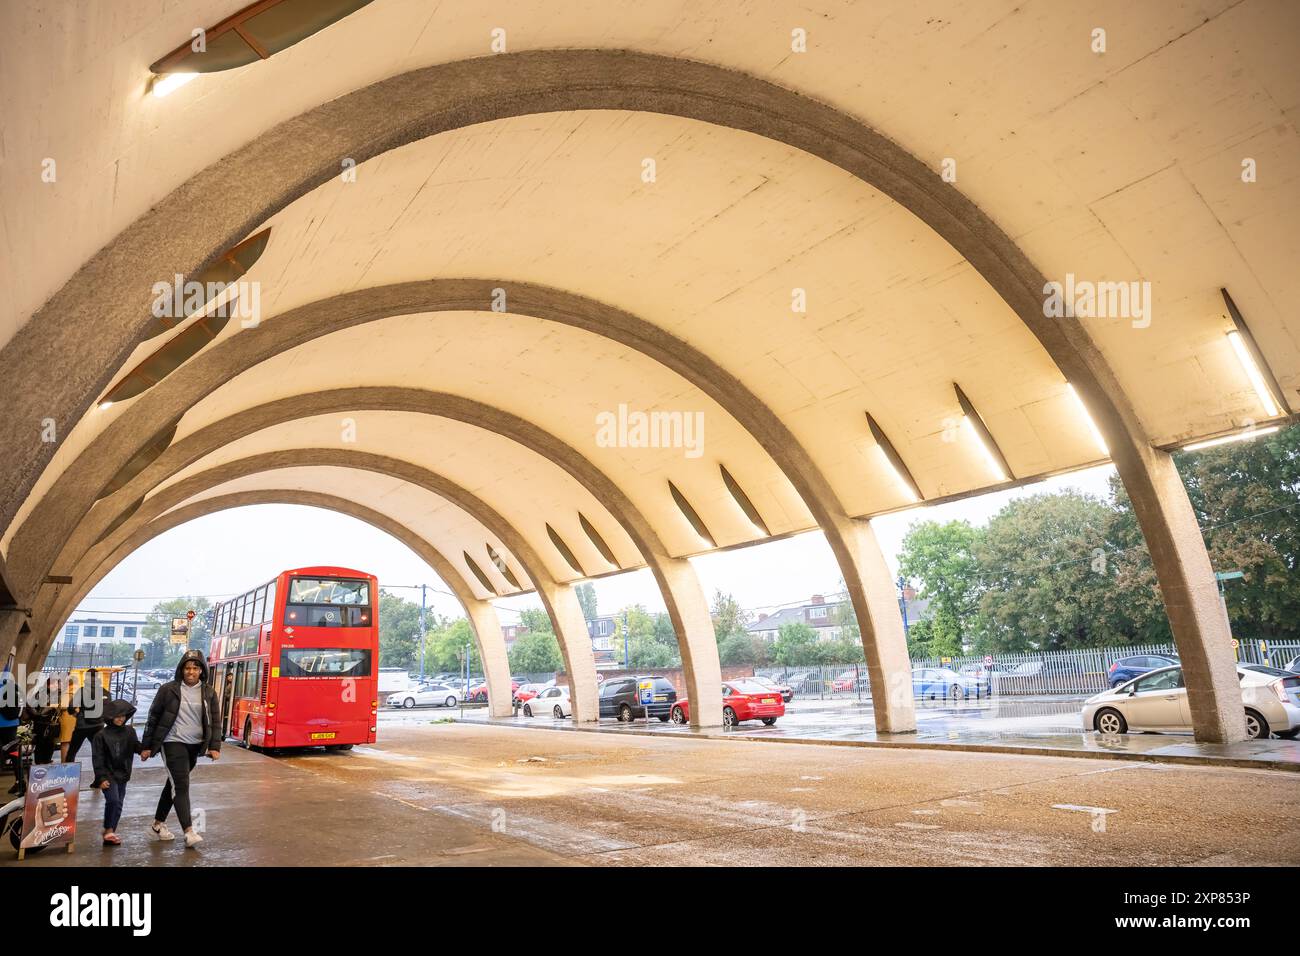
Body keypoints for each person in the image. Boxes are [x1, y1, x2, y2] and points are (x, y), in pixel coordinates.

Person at [140, 650, 221, 847]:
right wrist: (147, 746)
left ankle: (157, 825)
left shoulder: (209, 692)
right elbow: (153, 717)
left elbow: (216, 721)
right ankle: (189, 831)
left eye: (195, 668)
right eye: (187, 668)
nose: (191, 671)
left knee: (174, 785)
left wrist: (214, 746)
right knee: (182, 785)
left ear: (201, 670)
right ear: (181, 670)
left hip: (195, 745)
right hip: (172, 742)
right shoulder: (168, 690)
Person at [90, 699, 140, 846]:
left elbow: (136, 746)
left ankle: (110, 831)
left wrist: (145, 750)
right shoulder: (100, 735)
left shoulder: (130, 731)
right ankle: (108, 829)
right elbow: (97, 758)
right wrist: (101, 778)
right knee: (113, 800)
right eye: (117, 716)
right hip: (108, 774)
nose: (121, 719)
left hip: (123, 773)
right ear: (110, 717)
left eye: (123, 716)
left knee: (119, 804)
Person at [66, 668, 106, 761]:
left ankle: (68, 774)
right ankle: (101, 774)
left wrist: (75, 714)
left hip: (82, 726)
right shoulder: (104, 691)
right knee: (99, 752)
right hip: (98, 726)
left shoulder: (82, 691)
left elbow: (71, 707)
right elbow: (108, 709)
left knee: (72, 752)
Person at [21, 676, 61, 765]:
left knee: (50, 745)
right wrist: (48, 708)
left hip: (51, 725)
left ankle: (46, 761)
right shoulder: (41, 694)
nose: (56, 685)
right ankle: (40, 763)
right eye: (53, 684)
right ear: (48, 685)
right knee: (41, 744)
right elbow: (34, 709)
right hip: (41, 724)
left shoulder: (57, 694)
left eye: (57, 684)